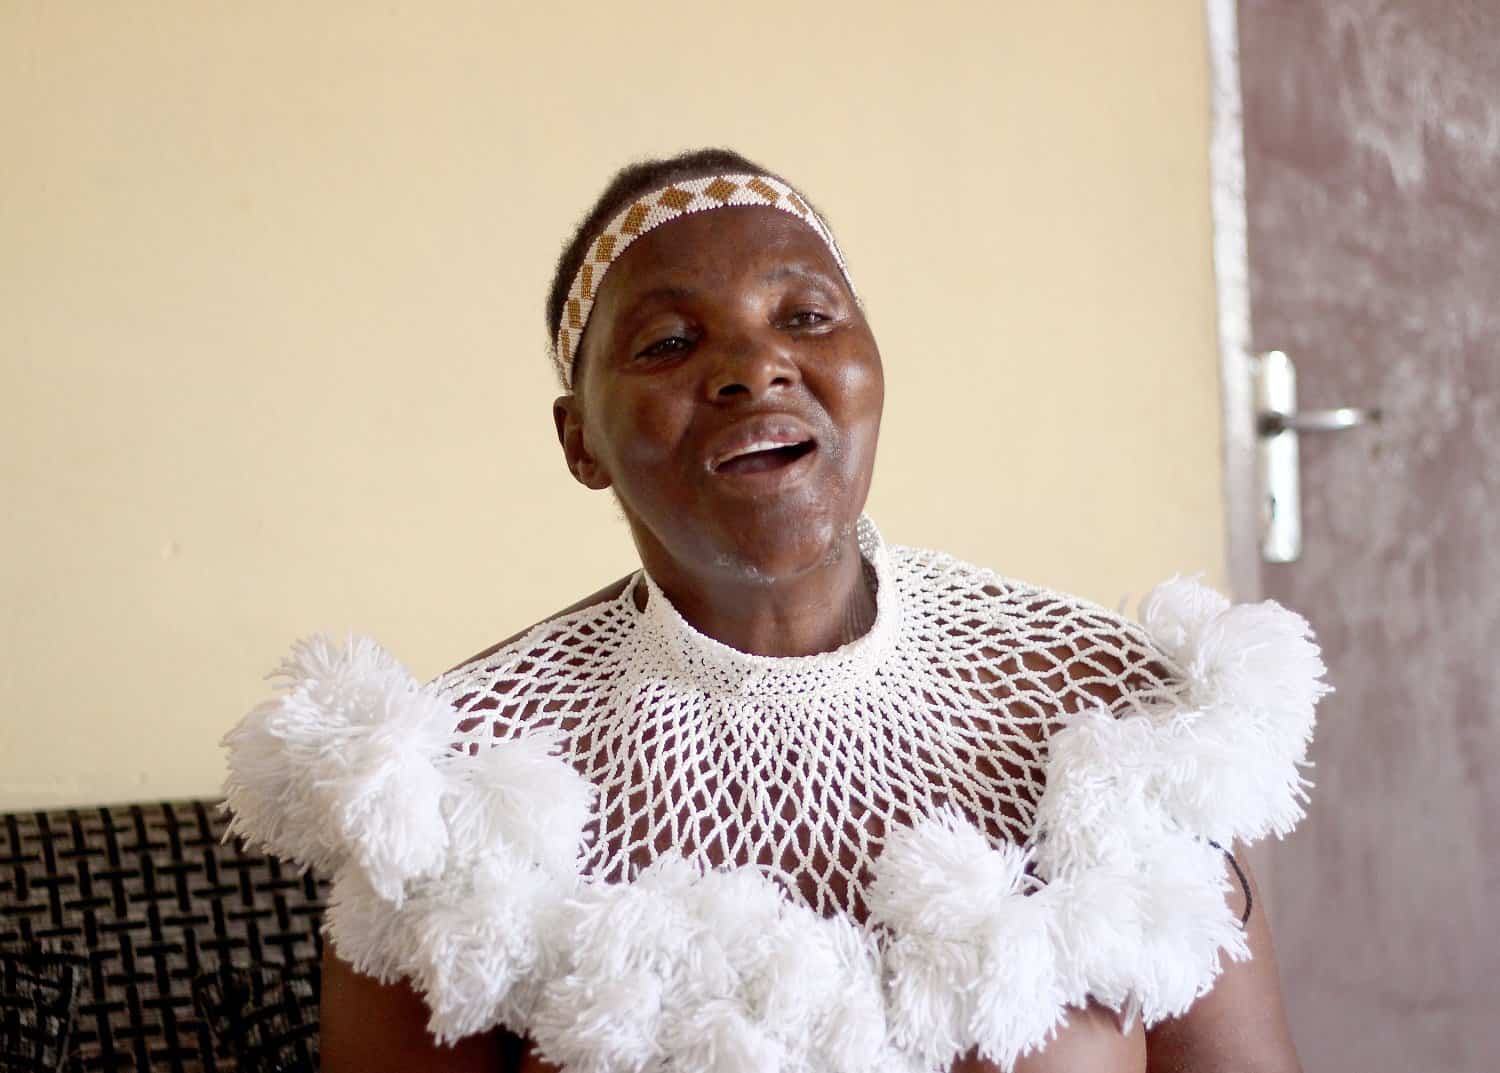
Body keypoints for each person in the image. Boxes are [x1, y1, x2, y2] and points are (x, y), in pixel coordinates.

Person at [222, 148, 1326, 1073]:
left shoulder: (1109, 711)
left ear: (871, 364)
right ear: (580, 440)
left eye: (806, 315)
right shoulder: (456, 789)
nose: (755, 367)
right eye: (668, 342)